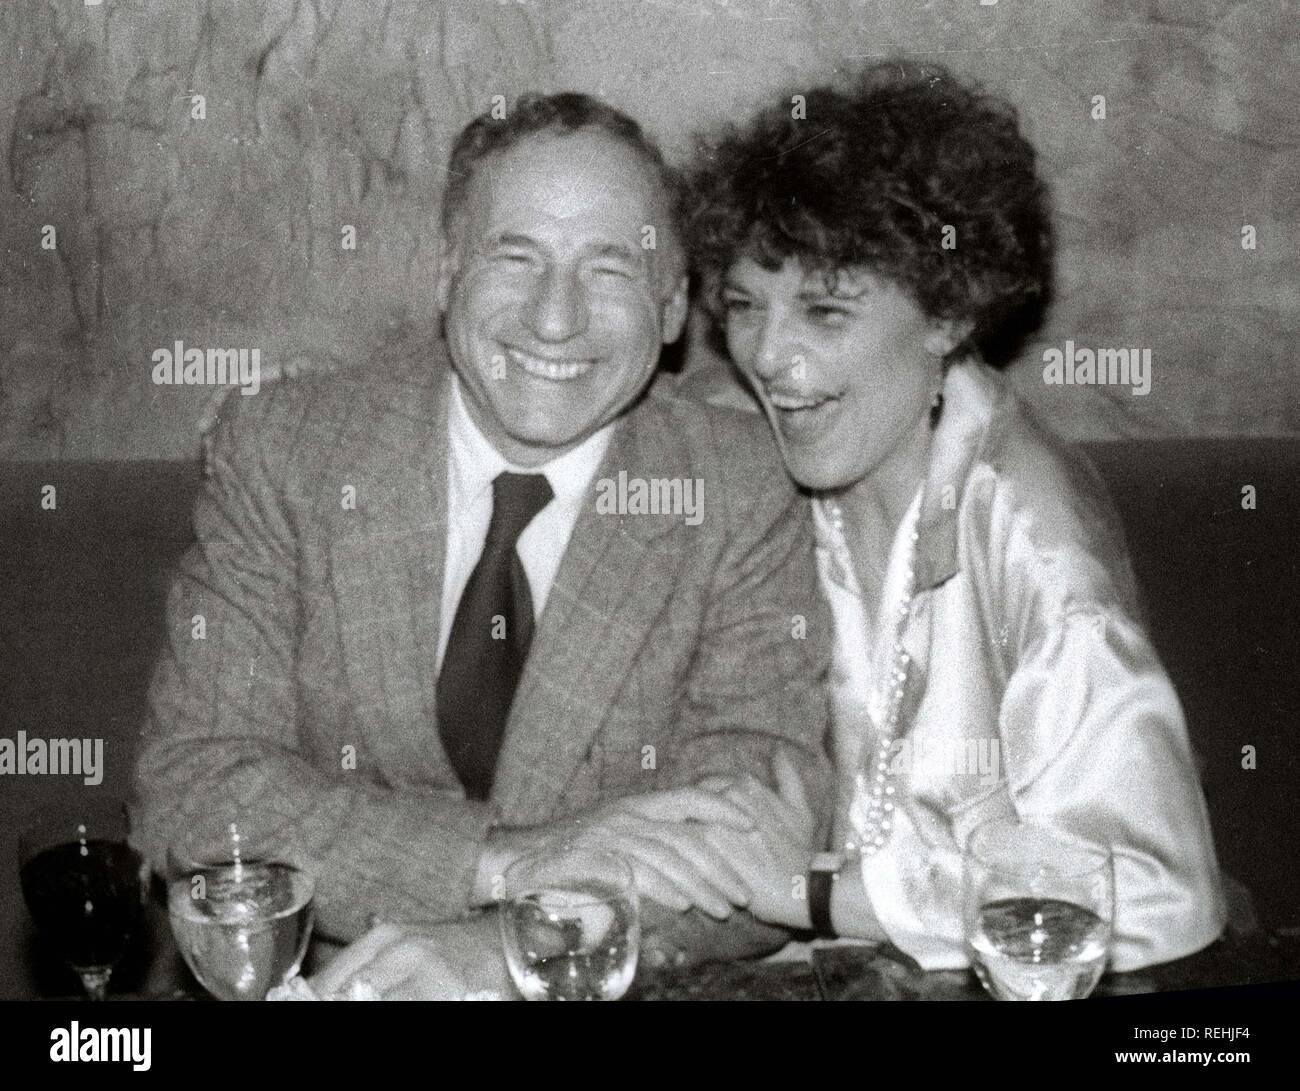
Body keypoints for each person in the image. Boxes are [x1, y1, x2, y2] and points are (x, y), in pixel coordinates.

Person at [132, 92, 833, 997]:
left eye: (610, 269)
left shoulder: (737, 488)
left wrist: (509, 949)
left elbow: (750, 838)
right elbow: (194, 789)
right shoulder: (289, 449)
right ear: (446, 275)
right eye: (517, 256)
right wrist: (509, 863)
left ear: (671, 309)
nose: (554, 318)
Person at [679, 60, 1226, 971]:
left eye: (825, 309)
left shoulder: (1031, 533)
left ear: (945, 314)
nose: (771, 356)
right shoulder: (745, 460)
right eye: (744, 306)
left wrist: (814, 891)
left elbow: (1150, 887)